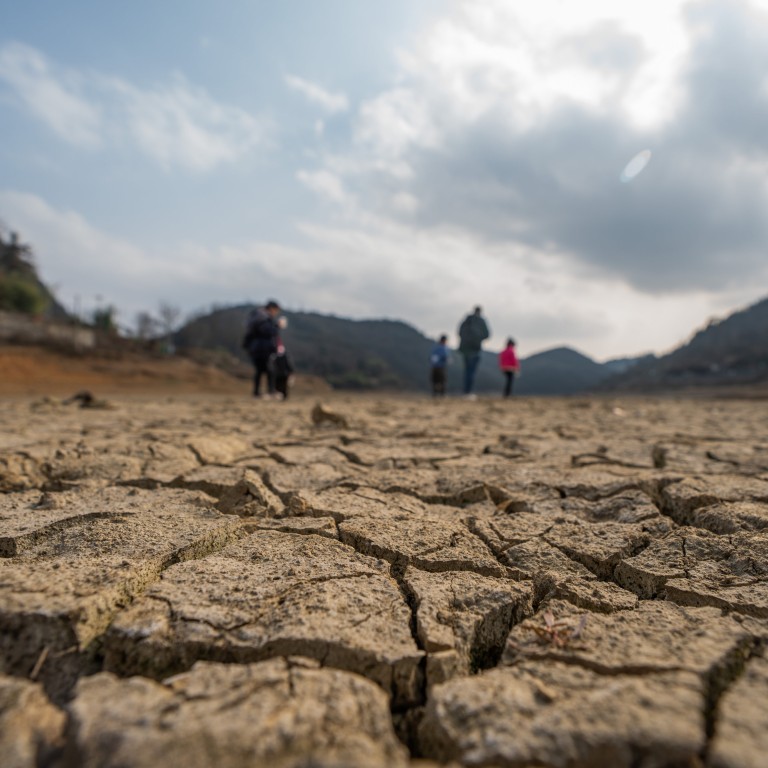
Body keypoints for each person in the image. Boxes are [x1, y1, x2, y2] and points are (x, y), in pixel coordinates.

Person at [242, 300, 281, 397]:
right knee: (270, 370)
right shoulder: (263, 317)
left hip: (255, 347)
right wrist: (277, 326)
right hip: (263, 347)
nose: (276, 313)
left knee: (259, 370)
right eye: (276, 310)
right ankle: (271, 391)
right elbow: (267, 331)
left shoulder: (257, 316)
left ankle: (256, 392)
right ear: (272, 308)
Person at [457, 306, 490, 397]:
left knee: (467, 371)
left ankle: (465, 391)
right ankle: (468, 392)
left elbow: (459, 332)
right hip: (475, 349)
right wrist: (478, 339)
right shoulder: (481, 321)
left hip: (465, 350)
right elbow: (487, 334)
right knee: (471, 371)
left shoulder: (467, 320)